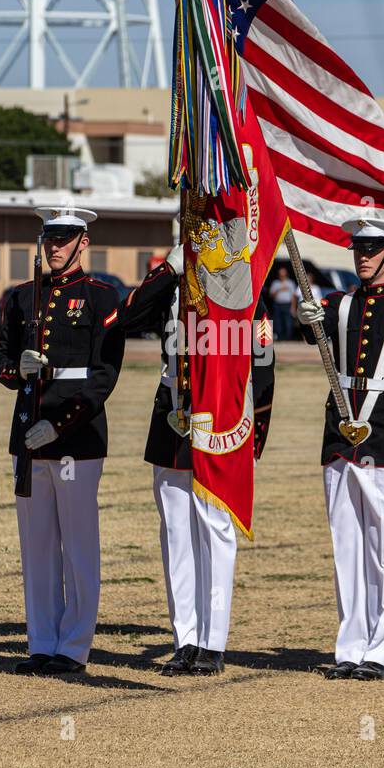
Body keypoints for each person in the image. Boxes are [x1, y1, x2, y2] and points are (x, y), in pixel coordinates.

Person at [117, 245, 275, 675]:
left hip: (221, 422)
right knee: (175, 533)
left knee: (215, 529)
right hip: (171, 415)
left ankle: (213, 642)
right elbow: (126, 318)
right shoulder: (170, 287)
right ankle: (184, 638)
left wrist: (252, 439)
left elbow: (261, 367)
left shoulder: (243, 290)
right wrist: (168, 269)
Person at [296, 215, 384, 681]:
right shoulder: (337, 303)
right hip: (340, 432)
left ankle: (380, 649)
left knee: (382, 545)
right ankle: (350, 645)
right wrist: (306, 323)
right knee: (346, 545)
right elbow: (323, 348)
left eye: (373, 249)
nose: (363, 256)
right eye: (358, 248)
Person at [0, 205, 126, 676]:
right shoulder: (22, 297)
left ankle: (74, 647)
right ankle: (41, 642)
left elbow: (103, 377)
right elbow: (2, 362)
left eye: (65, 238)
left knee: (78, 546)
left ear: (83, 242)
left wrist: (60, 425)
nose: (54, 246)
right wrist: (17, 369)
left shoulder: (101, 298)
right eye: (49, 237)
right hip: (29, 435)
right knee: (38, 548)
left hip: (77, 437)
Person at [267, 265, 296, 341]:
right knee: (277, 322)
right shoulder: (275, 283)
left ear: (286, 274)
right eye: (280, 275)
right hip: (277, 304)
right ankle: (279, 338)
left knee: (288, 321)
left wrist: (293, 307)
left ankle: (288, 338)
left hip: (287, 304)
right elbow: (271, 295)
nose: (282, 276)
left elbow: (293, 296)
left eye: (283, 275)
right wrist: (279, 290)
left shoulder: (290, 283)